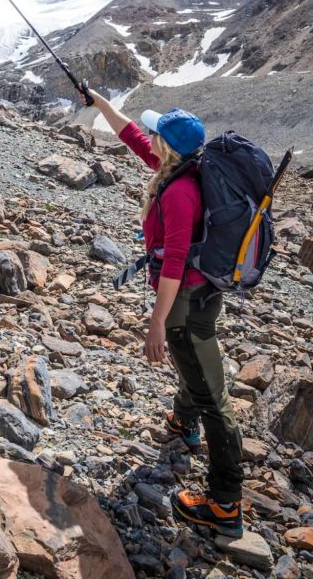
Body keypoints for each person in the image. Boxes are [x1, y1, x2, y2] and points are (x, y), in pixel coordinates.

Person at [83, 87, 244, 537]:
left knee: (213, 395)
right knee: (192, 364)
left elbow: (173, 262)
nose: (149, 137)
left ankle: (226, 504)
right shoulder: (180, 170)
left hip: (185, 301)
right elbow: (131, 135)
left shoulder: (178, 193)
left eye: (156, 134)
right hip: (201, 294)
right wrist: (99, 102)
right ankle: (182, 423)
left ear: (167, 147)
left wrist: (156, 322)